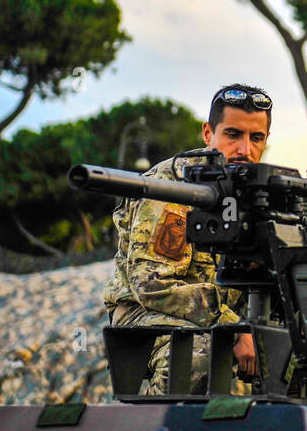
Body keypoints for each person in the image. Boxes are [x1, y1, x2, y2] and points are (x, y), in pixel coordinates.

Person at [102, 84, 272, 395]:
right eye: (233, 134)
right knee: (201, 354)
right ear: (208, 134)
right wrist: (235, 330)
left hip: (218, 318)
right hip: (145, 313)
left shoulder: (258, 192)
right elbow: (152, 286)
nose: (244, 149)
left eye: (256, 137)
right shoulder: (171, 186)